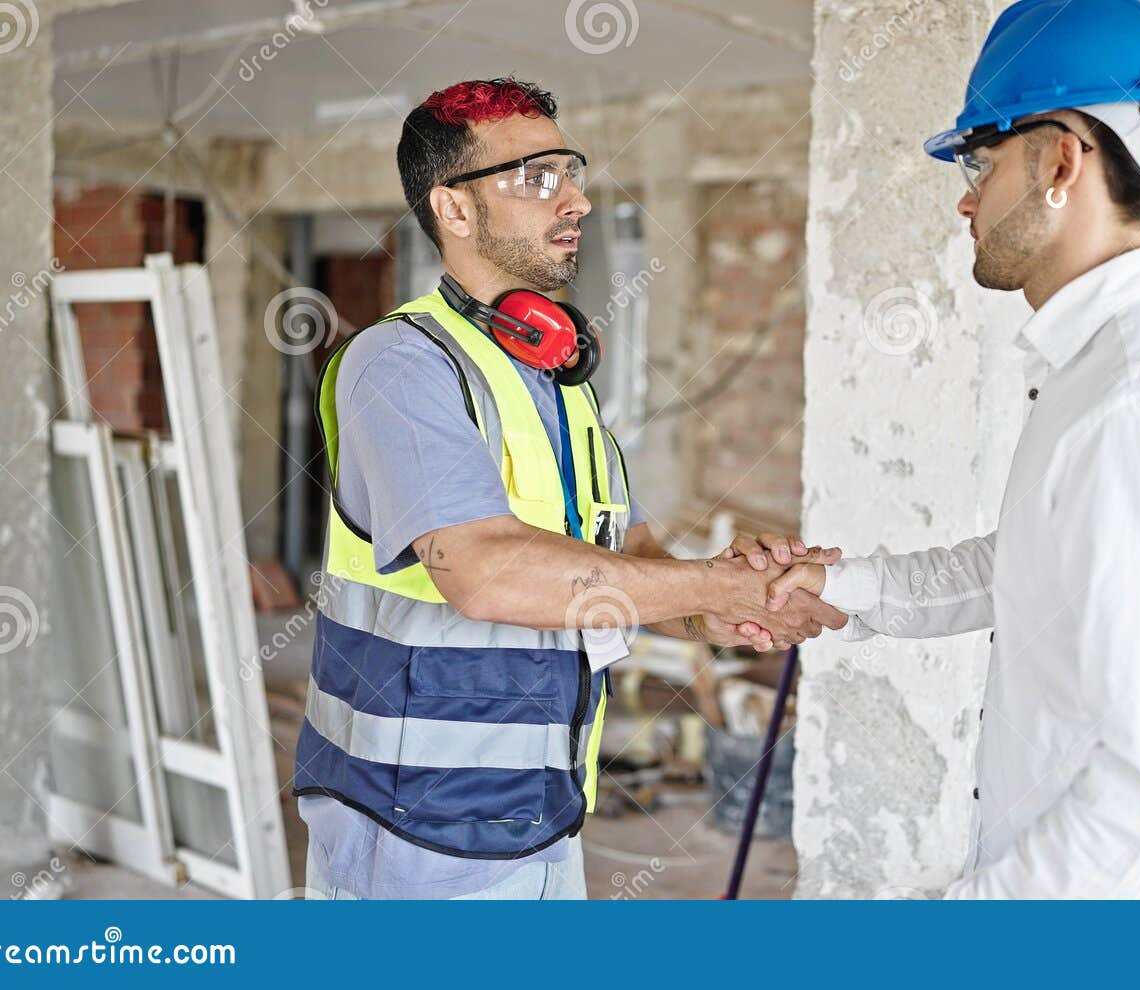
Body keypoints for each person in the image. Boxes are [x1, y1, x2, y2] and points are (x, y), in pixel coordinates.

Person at [747, 0, 1140, 898]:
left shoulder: (1139, 411)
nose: (965, 195)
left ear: (1062, 161)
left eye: (979, 159)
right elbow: (1034, 566)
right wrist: (844, 587)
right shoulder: (1096, 376)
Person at [293, 77, 845, 900]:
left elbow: (628, 560)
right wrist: (711, 583)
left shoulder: (561, 387)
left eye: (573, 172)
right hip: (412, 832)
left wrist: (726, 605)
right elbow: (485, 571)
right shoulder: (400, 365)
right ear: (453, 210)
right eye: (537, 177)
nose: (578, 200)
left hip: (541, 813)